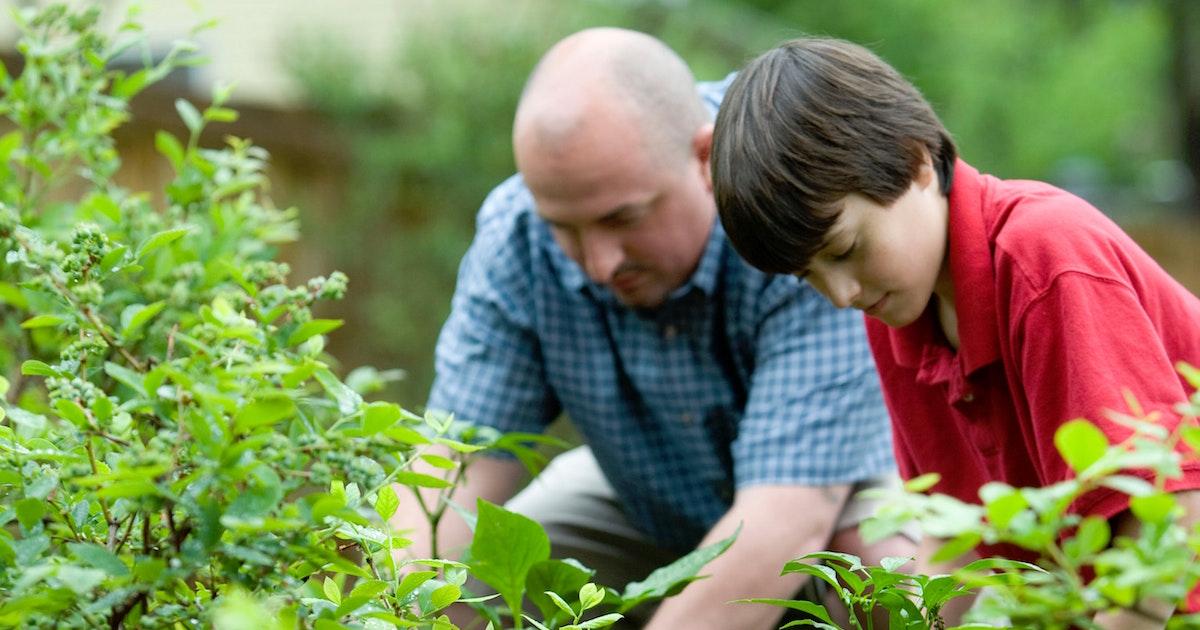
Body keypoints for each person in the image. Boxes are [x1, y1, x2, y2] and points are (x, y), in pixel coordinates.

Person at [392, 28, 913, 629]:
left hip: (834, 485)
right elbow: (455, 468)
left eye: (623, 218)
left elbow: (785, 521)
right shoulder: (518, 237)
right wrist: (388, 608)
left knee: (887, 588)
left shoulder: (788, 200)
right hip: (644, 495)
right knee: (485, 578)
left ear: (703, 157)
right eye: (567, 227)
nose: (599, 262)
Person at [710, 37, 1200, 625]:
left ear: (916, 162)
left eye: (845, 249)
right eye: (806, 276)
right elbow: (956, 546)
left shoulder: (1043, 258)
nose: (841, 295)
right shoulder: (897, 316)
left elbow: (1171, 514)